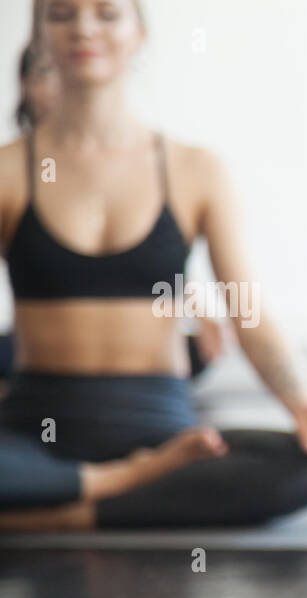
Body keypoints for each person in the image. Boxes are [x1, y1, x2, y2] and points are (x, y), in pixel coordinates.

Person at [0, 0, 307, 532]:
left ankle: (50, 512)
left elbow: (246, 310)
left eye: (107, 14)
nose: (84, 28)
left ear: (139, 33)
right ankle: (119, 486)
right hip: (39, 432)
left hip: (165, 434)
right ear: (40, 35)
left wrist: (304, 403)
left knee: (305, 470)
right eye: (62, 14)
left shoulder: (194, 170)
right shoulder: (10, 171)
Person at [1, 40, 225, 384]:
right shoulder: (13, 167)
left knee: (197, 349)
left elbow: (151, 263)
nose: (58, 83)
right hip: (43, 355)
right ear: (26, 87)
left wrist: (198, 309)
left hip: (138, 366)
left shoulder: (157, 161)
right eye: (44, 73)